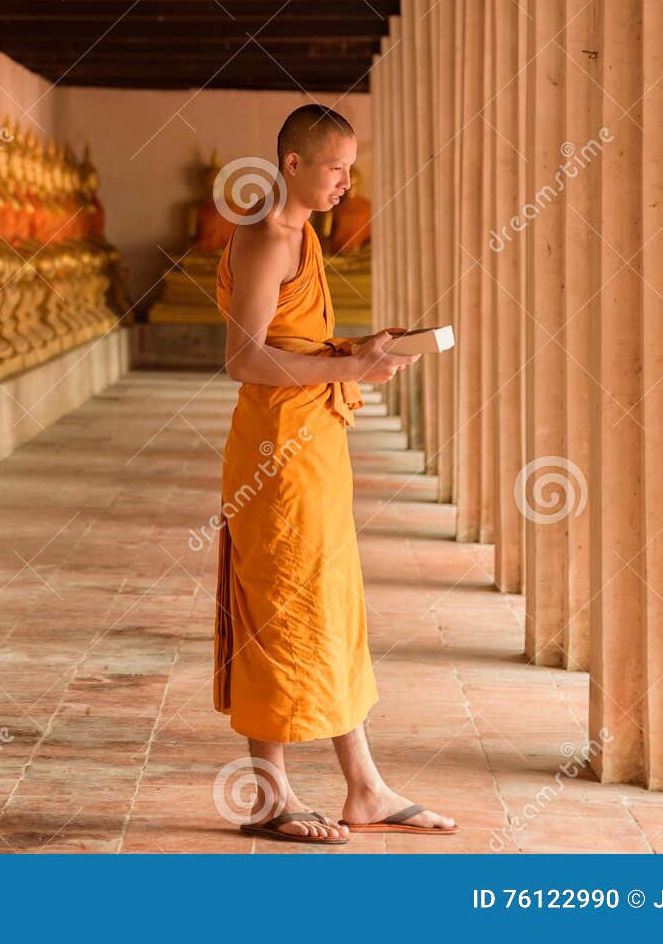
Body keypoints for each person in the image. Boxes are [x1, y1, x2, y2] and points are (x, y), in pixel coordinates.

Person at [214, 104, 458, 845]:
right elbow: (244, 357)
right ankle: (269, 793)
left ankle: (364, 786)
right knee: (280, 603)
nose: (346, 183)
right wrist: (352, 365)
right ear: (292, 164)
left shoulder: (309, 234)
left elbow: (298, 339)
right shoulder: (266, 237)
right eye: (335, 168)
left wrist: (358, 346)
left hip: (316, 444)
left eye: (349, 169)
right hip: (275, 454)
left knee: (328, 604)